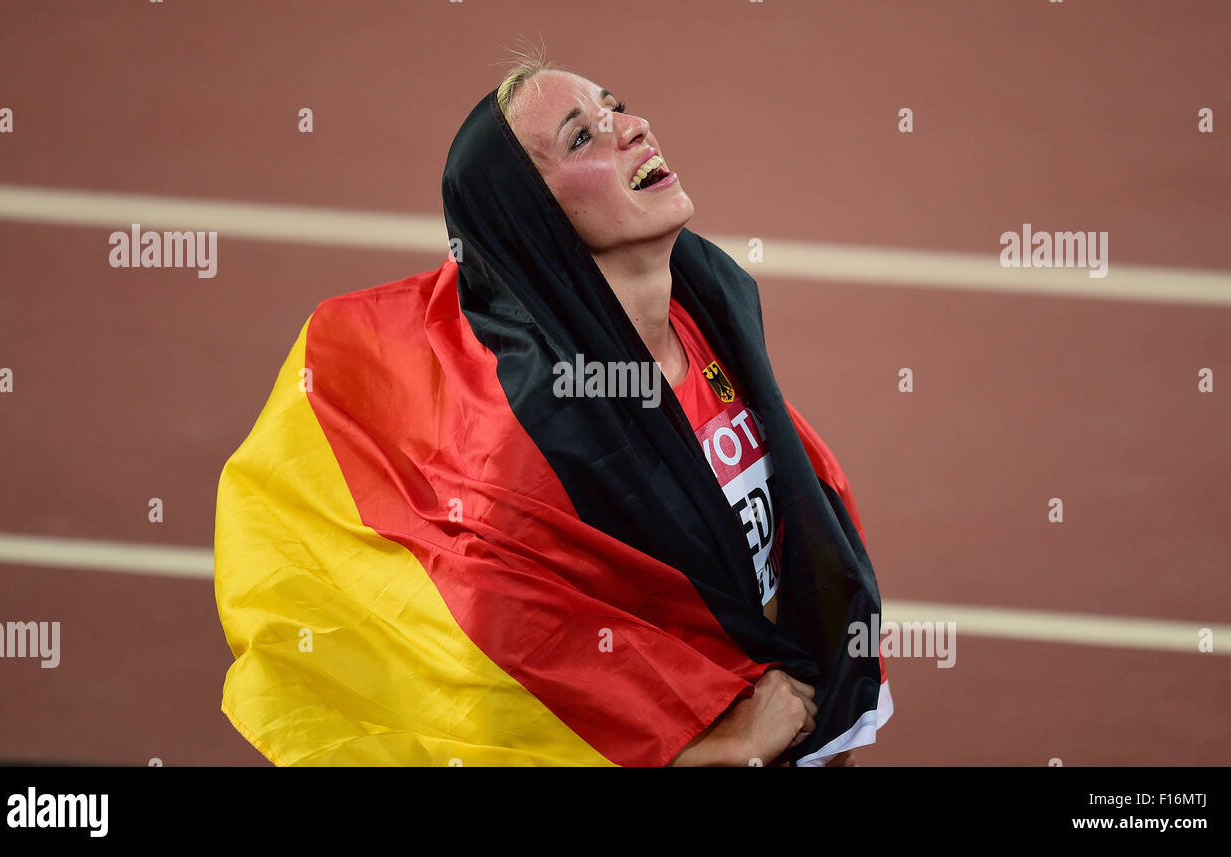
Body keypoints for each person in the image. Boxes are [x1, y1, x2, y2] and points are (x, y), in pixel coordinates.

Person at [213, 51, 890, 767]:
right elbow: (493, 679)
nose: (631, 127)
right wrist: (712, 745)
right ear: (534, 221)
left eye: (614, 107)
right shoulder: (535, 437)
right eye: (581, 137)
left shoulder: (709, 313)